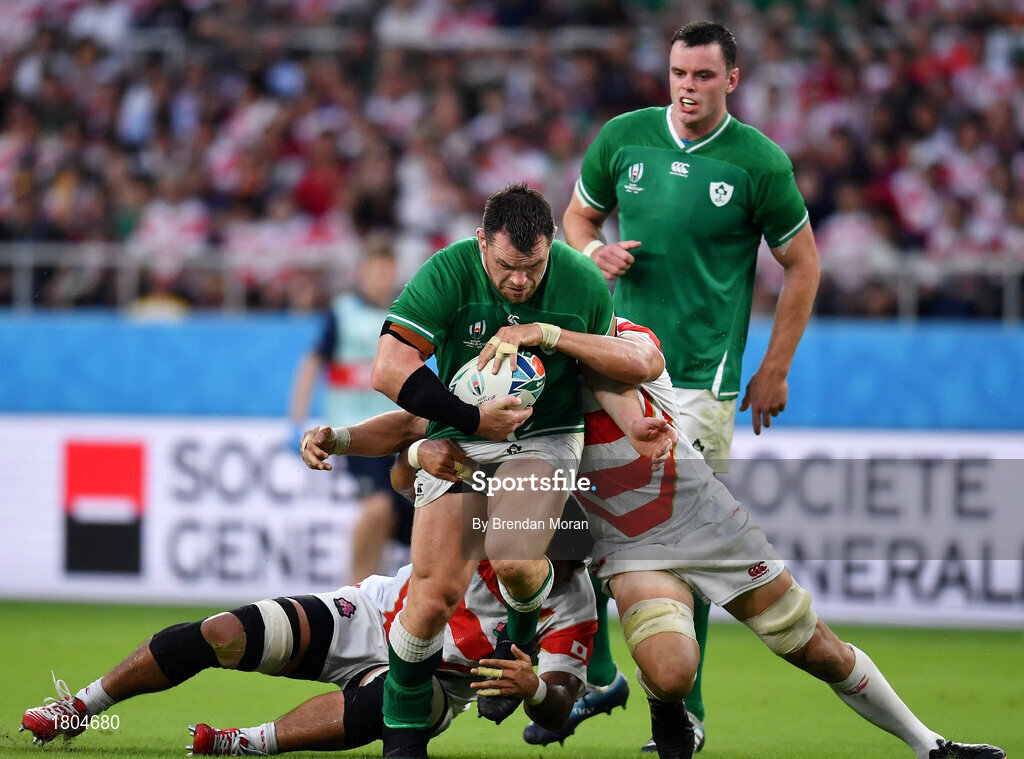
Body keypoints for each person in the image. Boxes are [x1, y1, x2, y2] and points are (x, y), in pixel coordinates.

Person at [305, 318, 1005, 759]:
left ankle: (931, 744)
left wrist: (552, 335)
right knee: (670, 668)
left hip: (704, 517)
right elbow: (421, 427)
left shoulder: (623, 336)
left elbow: (634, 366)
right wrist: (360, 445)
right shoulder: (519, 388)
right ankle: (662, 707)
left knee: (814, 647)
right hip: (629, 547)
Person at [560, 21, 822, 749]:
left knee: (680, 547)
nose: (687, 87)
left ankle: (684, 713)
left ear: (731, 80)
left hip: (701, 383)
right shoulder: (624, 138)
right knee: (569, 522)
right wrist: (591, 250)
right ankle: (600, 671)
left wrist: (775, 366)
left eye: (704, 76)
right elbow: (578, 216)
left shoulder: (757, 162)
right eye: (679, 72)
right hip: (613, 369)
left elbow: (803, 263)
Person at [368, 183, 614, 758]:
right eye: (506, 266)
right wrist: (471, 419)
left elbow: (607, 375)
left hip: (546, 436)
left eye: (533, 267)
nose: (521, 282)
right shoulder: (448, 271)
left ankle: (515, 644)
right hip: (464, 431)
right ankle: (403, 736)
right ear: (482, 242)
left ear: (552, 246)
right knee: (431, 597)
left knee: (514, 560)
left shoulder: (581, 283)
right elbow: (388, 370)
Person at [19, 530, 597, 755]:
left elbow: (561, 698)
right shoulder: (481, 526)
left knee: (386, 704)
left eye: (570, 557)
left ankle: (243, 744)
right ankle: (81, 708)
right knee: (222, 634)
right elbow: (406, 475)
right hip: (371, 614)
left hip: (441, 683)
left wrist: (534, 690)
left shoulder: (575, 602)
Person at [288, 244, 413, 583]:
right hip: (355, 436)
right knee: (378, 509)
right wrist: (297, 420)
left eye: (386, 272)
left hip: (397, 432)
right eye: (374, 272)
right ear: (362, 273)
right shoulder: (342, 313)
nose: (380, 279)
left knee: (402, 517)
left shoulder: (405, 314)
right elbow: (313, 362)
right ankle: (355, 593)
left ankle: (379, 597)